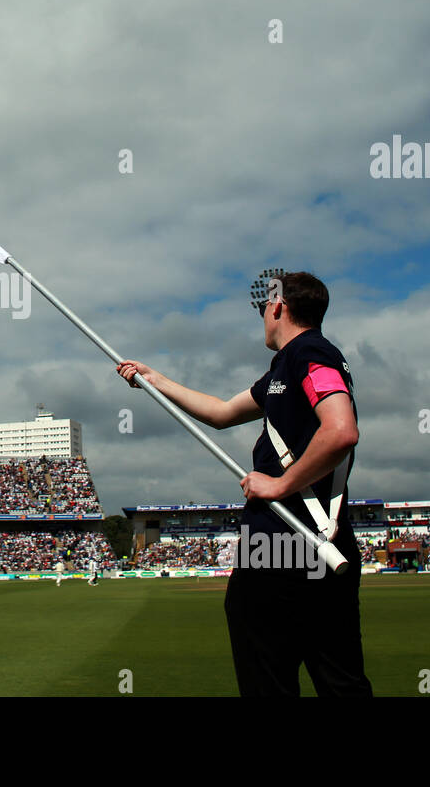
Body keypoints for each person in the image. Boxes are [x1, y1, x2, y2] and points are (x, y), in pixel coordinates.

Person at [116, 270, 372, 697]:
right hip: (327, 545)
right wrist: (153, 379)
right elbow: (220, 412)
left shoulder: (310, 354)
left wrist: (279, 485)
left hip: (279, 545)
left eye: (262, 308)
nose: (261, 317)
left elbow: (341, 430)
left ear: (278, 308)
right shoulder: (285, 370)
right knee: (341, 683)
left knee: (269, 682)